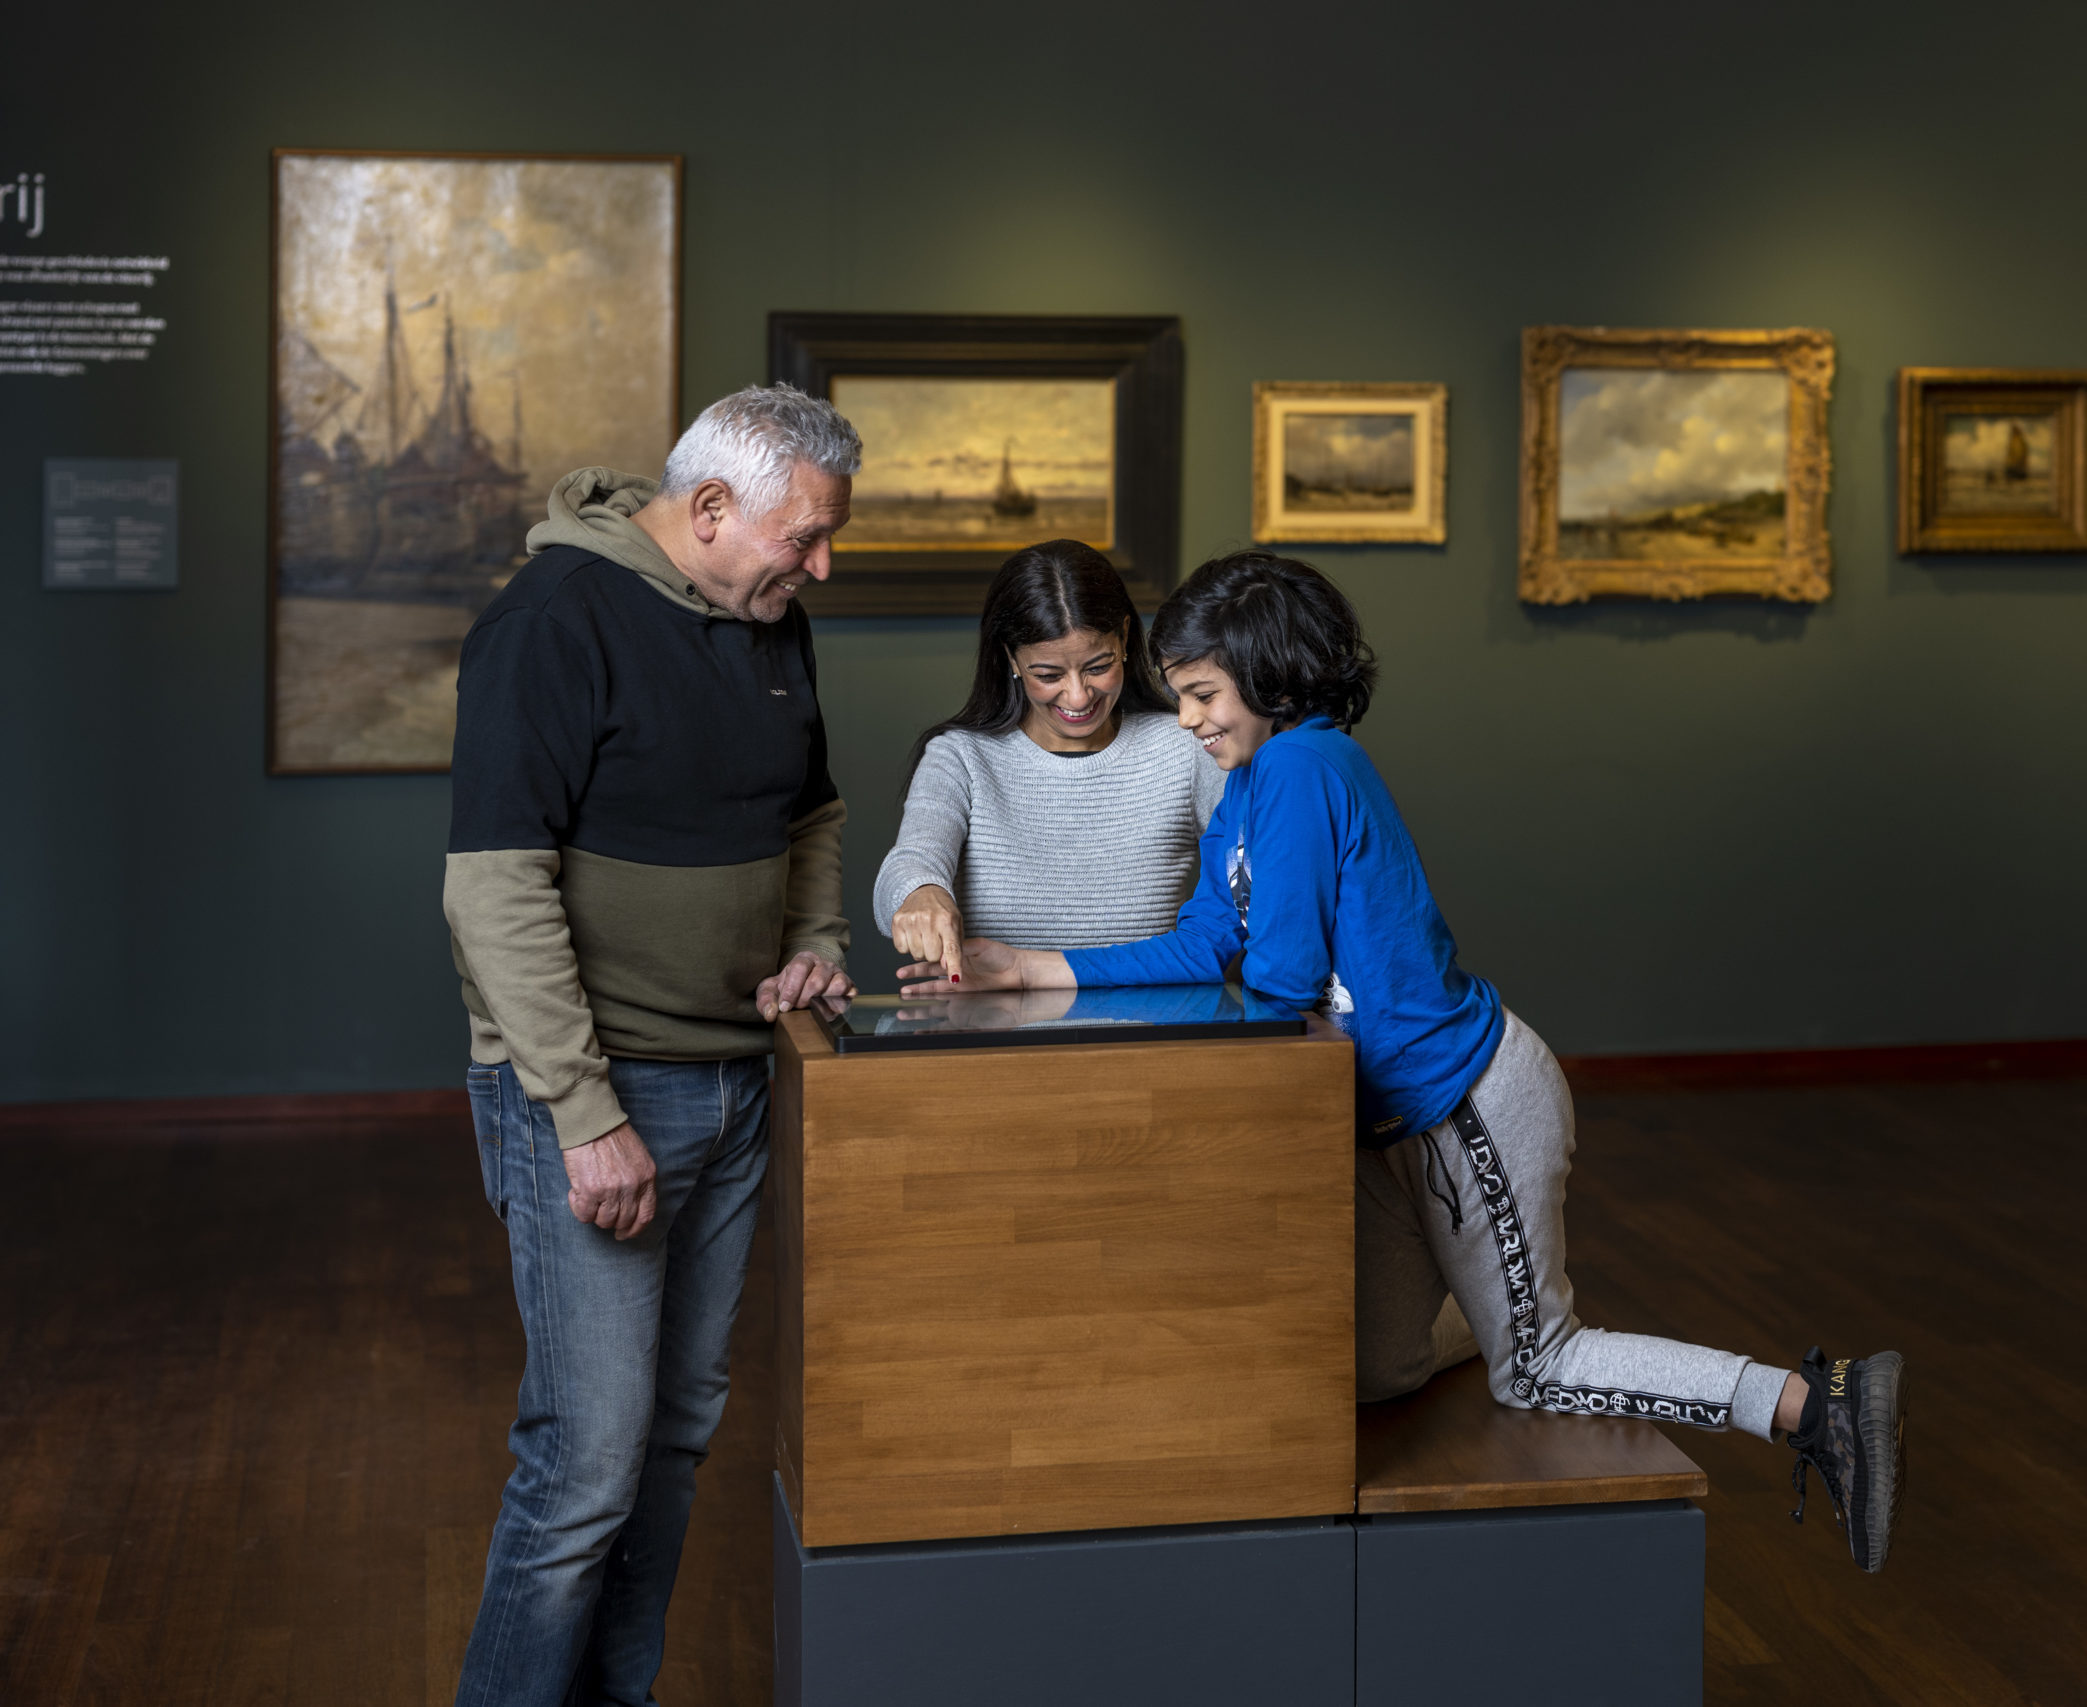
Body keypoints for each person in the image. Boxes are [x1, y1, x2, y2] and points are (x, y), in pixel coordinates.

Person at [898, 550, 1909, 1572]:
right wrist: (1026, 969)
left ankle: (1809, 1401)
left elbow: (1282, 980)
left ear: (1269, 675)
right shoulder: (1248, 784)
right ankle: (1499, 1293)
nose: (1188, 716)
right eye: (1183, 693)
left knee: (1540, 1372)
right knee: (1371, 1368)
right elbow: (1208, 942)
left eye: (1203, 693)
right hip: (1388, 1127)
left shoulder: (1302, 766)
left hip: (1461, 1101)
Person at [444, 383, 865, 1704]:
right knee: (585, 1466)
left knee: (675, 1440)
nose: (821, 565)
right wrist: (582, 1110)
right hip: (599, 1095)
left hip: (737, 1082)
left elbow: (814, 816)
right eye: (802, 538)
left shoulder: (769, 622)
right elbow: (491, 890)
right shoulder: (551, 619)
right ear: (710, 507)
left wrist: (821, 943)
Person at [874, 539, 1222, 979]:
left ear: (1125, 638)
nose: (1078, 696)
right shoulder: (959, 756)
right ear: (1011, 659)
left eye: (1098, 666)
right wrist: (921, 891)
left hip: (1145, 1035)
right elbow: (910, 860)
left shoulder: (1186, 746)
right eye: (1048, 675)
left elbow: (1249, 881)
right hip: (996, 1040)